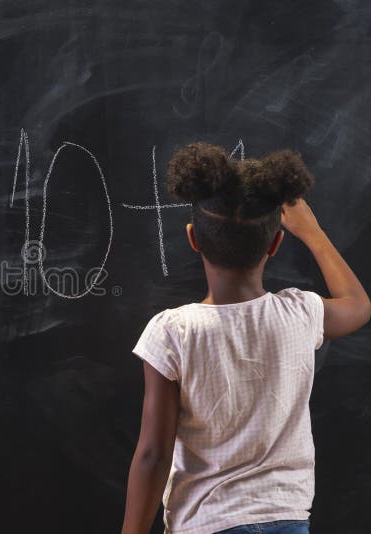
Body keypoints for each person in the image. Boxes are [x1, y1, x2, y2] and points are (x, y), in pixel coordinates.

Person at [121, 143, 371, 534]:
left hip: (206, 523)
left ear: (193, 239)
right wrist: (312, 232)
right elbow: (357, 304)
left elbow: (154, 454)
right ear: (275, 244)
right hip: (285, 521)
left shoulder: (173, 331)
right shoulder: (299, 314)